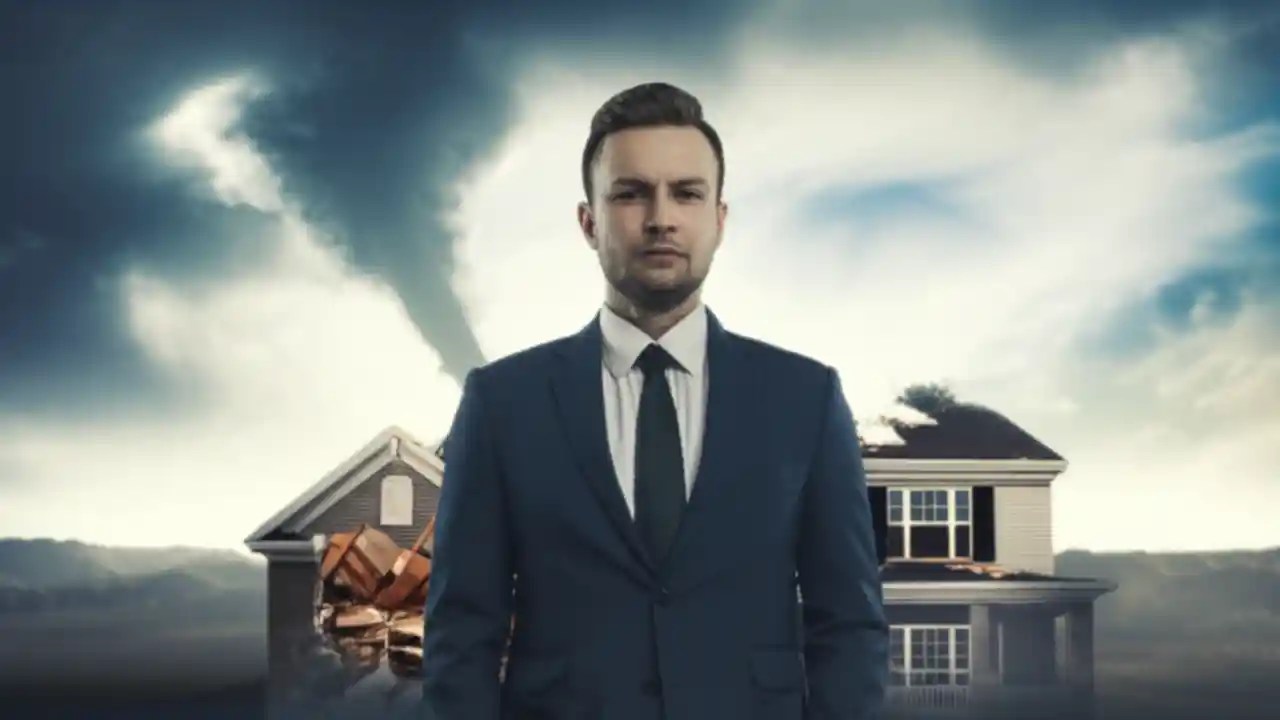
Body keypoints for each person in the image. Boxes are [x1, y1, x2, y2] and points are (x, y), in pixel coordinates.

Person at [421, 81, 887, 720]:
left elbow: (849, 623)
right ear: (589, 222)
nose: (661, 217)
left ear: (720, 219)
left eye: (687, 193)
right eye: (630, 193)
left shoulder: (806, 399)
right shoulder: (502, 404)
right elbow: (462, 632)